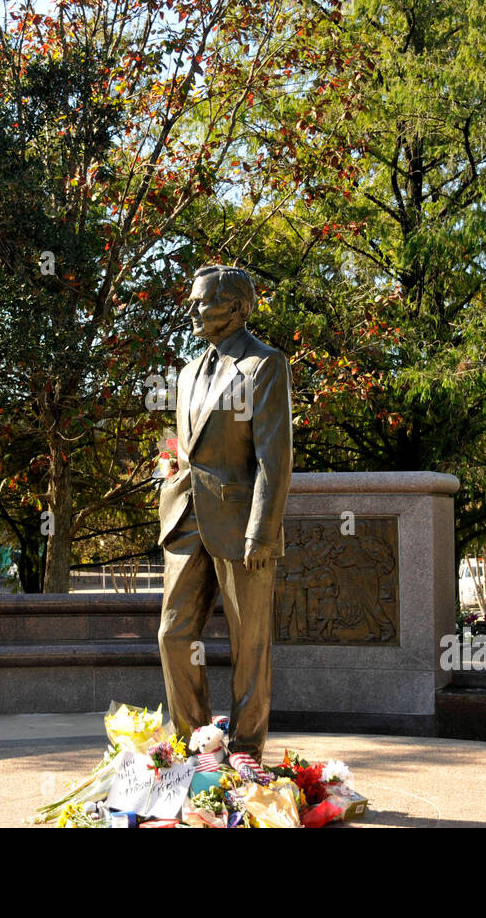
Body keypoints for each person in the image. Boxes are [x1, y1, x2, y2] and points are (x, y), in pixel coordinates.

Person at [156, 265, 292, 782]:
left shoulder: (264, 365)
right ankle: (193, 747)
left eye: (202, 303)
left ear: (236, 308)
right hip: (186, 519)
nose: (192, 311)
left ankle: (245, 751)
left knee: (249, 642)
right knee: (173, 633)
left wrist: (261, 530)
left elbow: (273, 458)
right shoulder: (189, 372)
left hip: (242, 525)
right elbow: (189, 448)